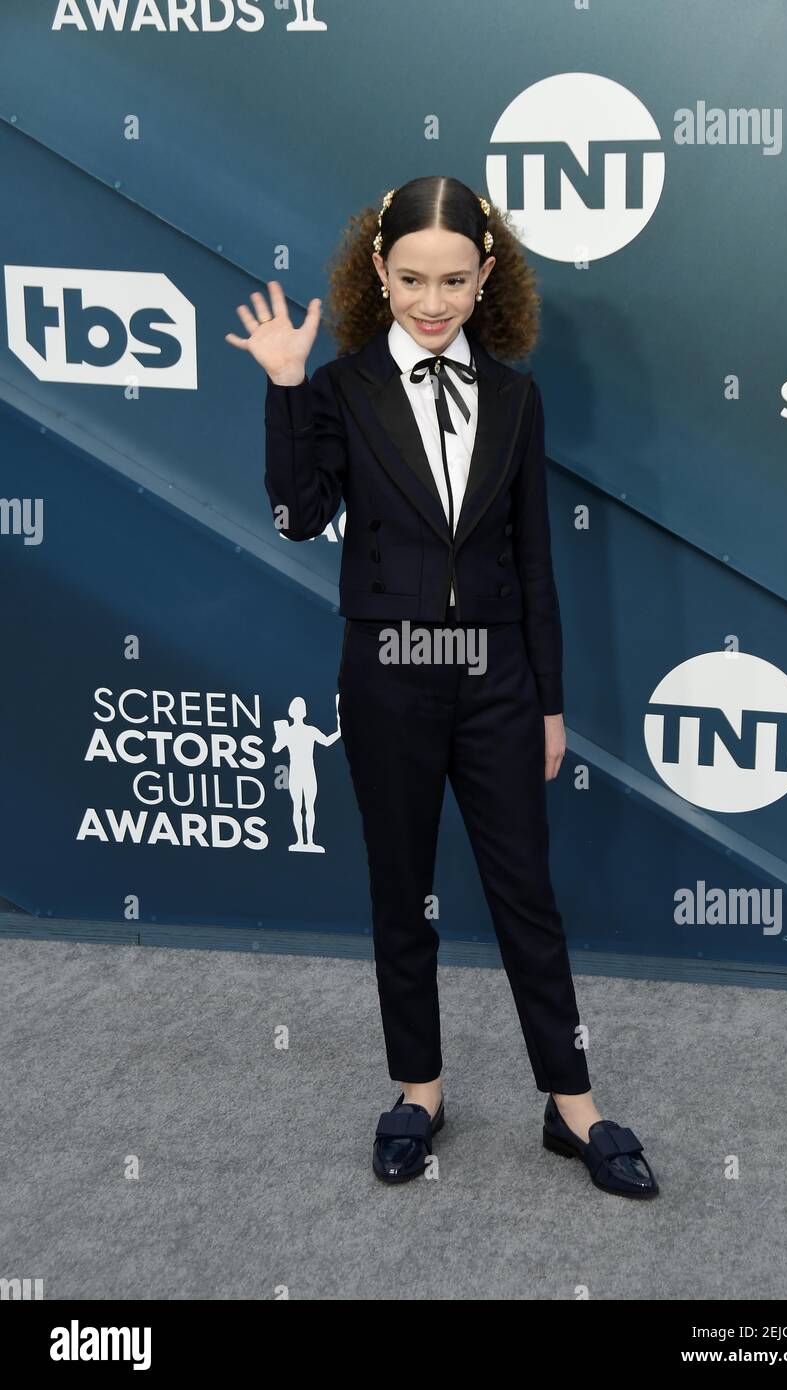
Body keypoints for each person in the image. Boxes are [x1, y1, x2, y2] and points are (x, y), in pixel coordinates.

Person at [226, 175, 658, 1198]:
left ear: (486, 276)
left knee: (526, 896)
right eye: (411, 278)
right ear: (377, 273)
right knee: (399, 894)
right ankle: (417, 1091)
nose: (430, 300)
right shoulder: (336, 388)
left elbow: (535, 560)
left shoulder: (516, 397)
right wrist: (286, 387)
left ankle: (572, 1105)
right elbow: (295, 517)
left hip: (498, 679)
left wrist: (548, 700)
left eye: (452, 280)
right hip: (386, 676)